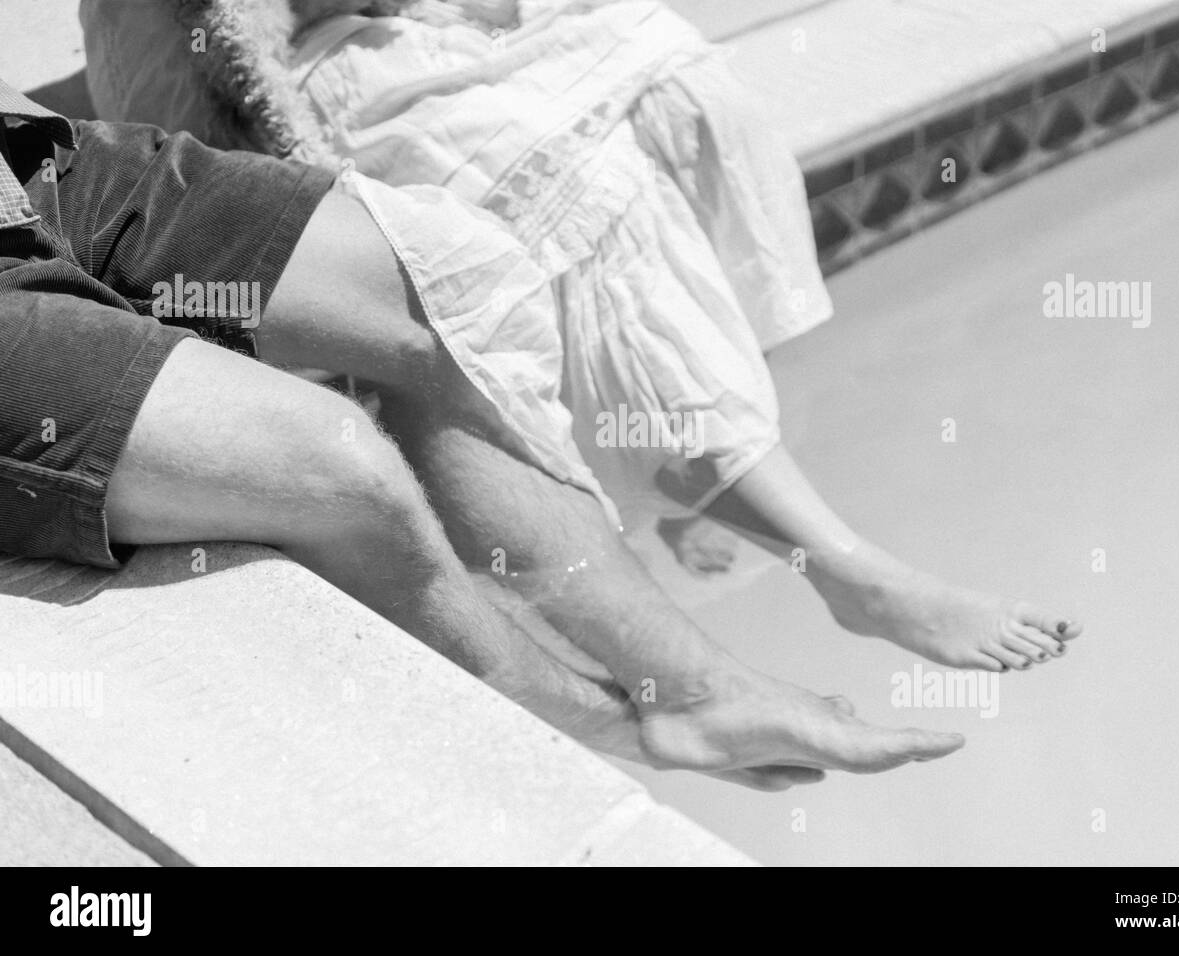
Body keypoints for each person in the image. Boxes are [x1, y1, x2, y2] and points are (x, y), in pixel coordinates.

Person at [0, 74, 967, 789]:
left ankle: (694, 686)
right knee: (335, 469)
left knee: (457, 293)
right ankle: (622, 727)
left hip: (27, 159)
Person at [83, 0, 1084, 675]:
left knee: (688, 93)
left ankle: (711, 475)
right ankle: (845, 566)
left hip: (435, 18)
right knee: (567, 189)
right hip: (295, 66)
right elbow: (196, 77)